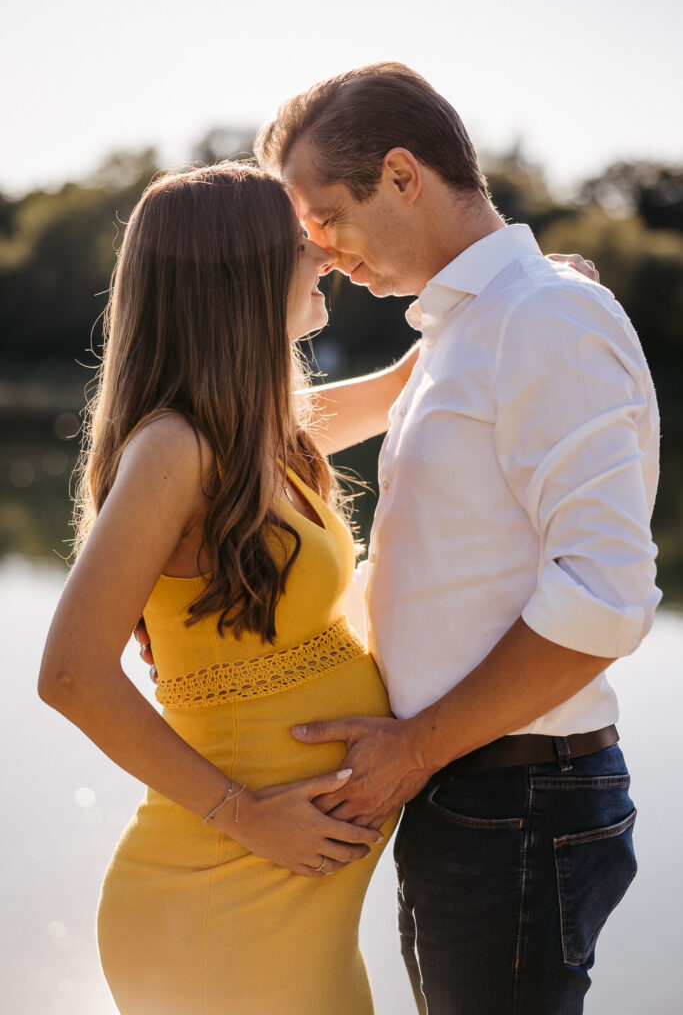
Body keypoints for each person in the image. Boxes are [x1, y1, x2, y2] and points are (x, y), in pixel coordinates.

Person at [252, 63, 661, 1014]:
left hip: (511, 794)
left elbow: (604, 598)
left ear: (401, 175)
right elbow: (274, 431)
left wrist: (416, 746)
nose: (319, 252)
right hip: (468, 790)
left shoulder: (543, 318)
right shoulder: (466, 330)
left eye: (325, 217)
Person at [38, 161, 412, 1015]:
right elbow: (69, 673)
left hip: (298, 904)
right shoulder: (174, 450)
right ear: (238, 274)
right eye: (301, 248)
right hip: (217, 896)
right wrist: (243, 815)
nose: (325, 261)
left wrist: (516, 290)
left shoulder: (260, 437)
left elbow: (399, 390)